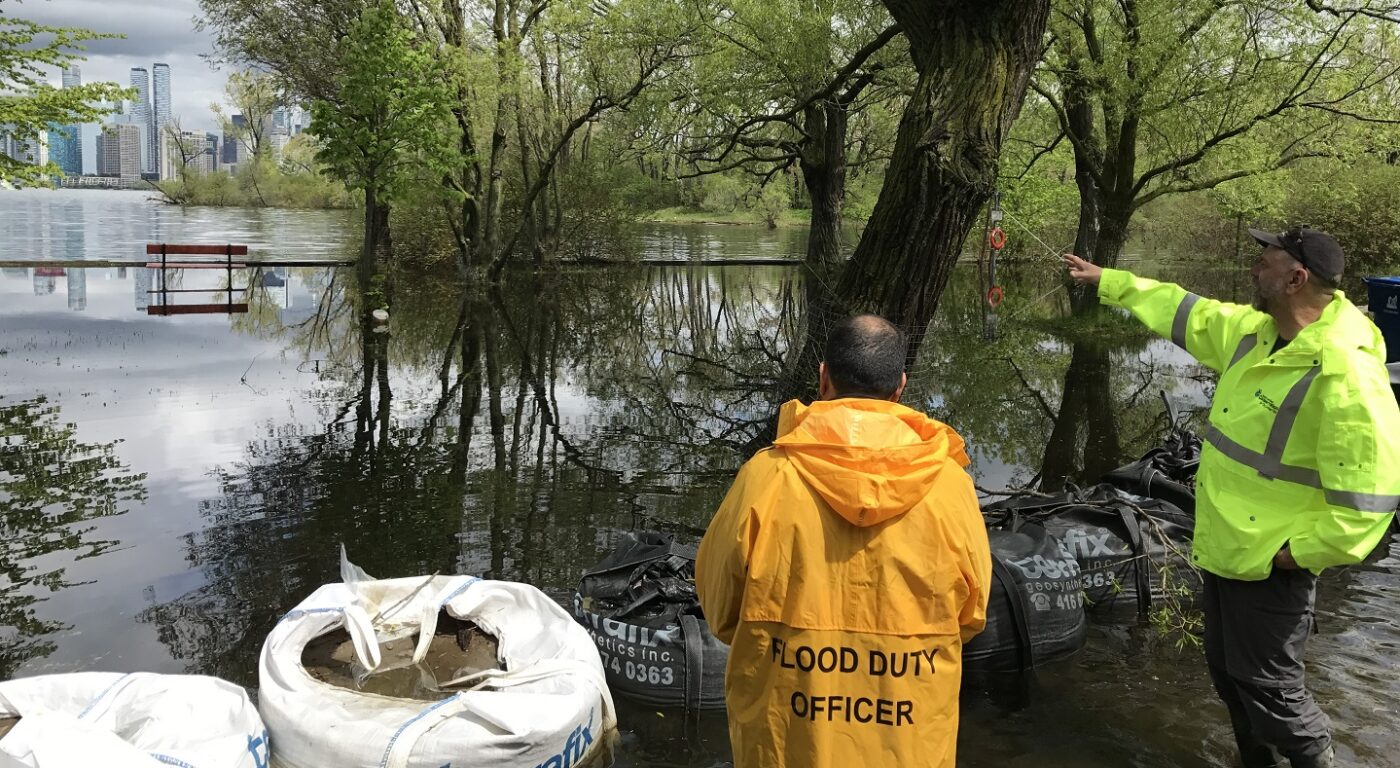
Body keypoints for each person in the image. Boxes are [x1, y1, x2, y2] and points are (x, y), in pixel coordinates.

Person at [1064, 227, 1400, 768]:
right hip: (1226, 546)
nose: (1253, 270)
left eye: (1265, 261)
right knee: (1227, 673)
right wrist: (1110, 281)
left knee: (1273, 690)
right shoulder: (1255, 334)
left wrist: (1295, 555)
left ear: (1296, 279)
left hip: (1272, 562)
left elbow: (1370, 502)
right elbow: (1184, 309)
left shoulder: (1345, 373)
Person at [695, 314, 991, 768]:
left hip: (787, 744)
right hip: (907, 747)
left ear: (823, 378)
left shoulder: (766, 479)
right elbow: (971, 616)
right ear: (900, 388)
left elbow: (720, 608)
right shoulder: (949, 488)